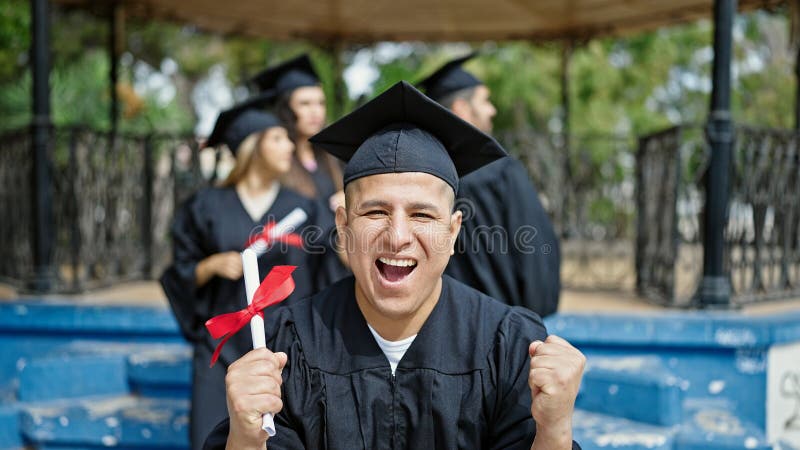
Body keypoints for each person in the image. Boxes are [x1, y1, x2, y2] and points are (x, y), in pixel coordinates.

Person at [203, 82, 584, 450]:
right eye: (376, 211)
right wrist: (246, 438)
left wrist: (553, 430)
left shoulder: (509, 345)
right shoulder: (287, 346)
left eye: (421, 214)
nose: (397, 236)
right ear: (344, 227)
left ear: (453, 233)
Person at [159, 93, 346, 450]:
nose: (289, 146)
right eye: (277, 138)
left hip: (287, 350)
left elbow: (329, 270)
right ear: (252, 147)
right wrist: (210, 266)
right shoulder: (205, 206)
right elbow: (178, 274)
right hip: (222, 348)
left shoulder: (304, 208)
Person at [417, 53, 562, 317]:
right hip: (501, 326)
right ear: (461, 107)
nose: (492, 109)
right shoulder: (502, 173)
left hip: (442, 325)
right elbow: (536, 257)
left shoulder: (421, 176)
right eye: (485, 100)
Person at [251, 54, 345, 212]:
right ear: (286, 110)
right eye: (304, 104)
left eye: (320, 103)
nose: (315, 111)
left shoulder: (333, 157)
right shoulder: (277, 164)